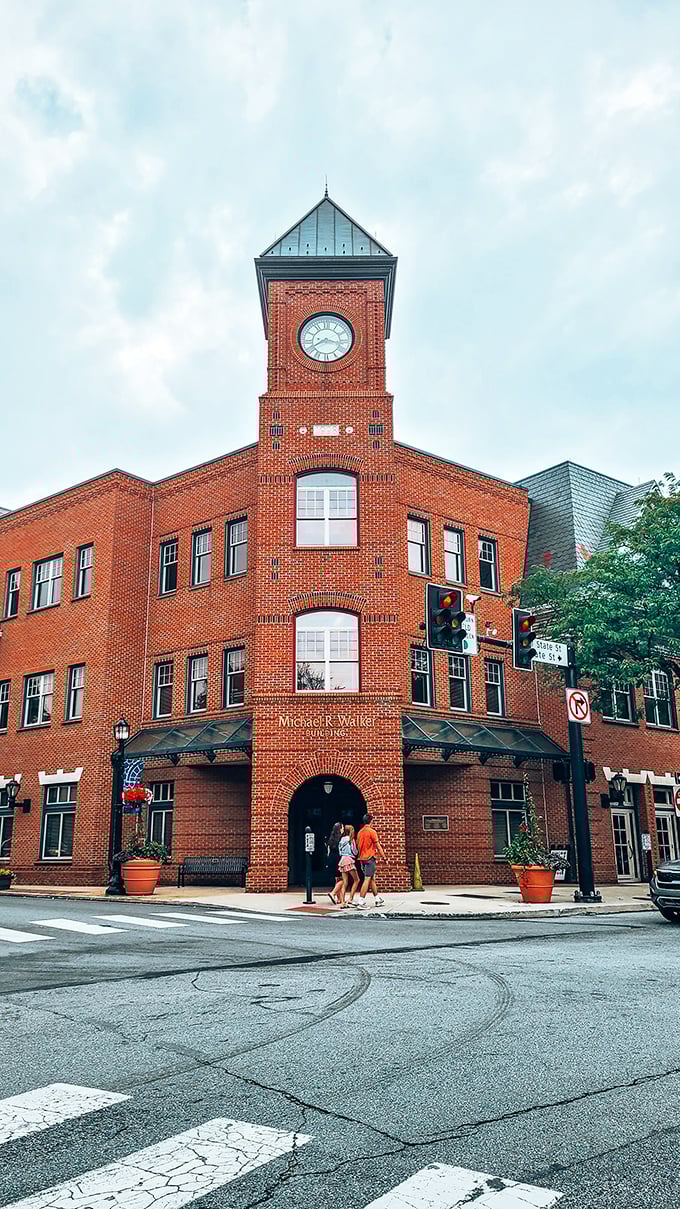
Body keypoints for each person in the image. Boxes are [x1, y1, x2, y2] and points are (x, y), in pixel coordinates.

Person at [355, 813, 387, 908]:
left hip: (362, 859)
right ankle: (361, 901)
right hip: (369, 858)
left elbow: (357, 846)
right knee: (367, 879)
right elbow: (378, 846)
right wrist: (384, 857)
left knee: (371, 878)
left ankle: (377, 899)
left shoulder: (360, 832)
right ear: (371, 821)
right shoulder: (372, 832)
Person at [337, 824, 360, 908]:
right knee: (357, 880)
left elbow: (339, 851)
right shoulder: (351, 840)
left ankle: (343, 902)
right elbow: (355, 852)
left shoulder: (341, 840)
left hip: (342, 860)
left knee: (345, 882)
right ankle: (350, 898)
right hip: (349, 860)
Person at [326, 821, 344, 904]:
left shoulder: (331, 839)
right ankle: (333, 893)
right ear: (340, 829)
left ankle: (339, 899)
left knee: (337, 879)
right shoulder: (341, 839)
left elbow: (328, 851)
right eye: (342, 827)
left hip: (331, 859)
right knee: (343, 879)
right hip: (339, 859)